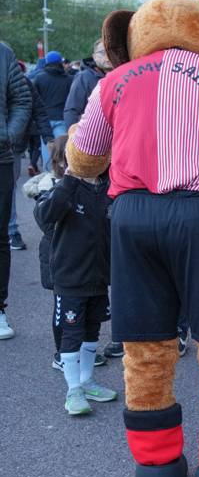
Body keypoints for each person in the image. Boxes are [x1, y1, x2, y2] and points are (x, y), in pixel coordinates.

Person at [34, 137, 117, 415]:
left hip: (98, 277)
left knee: (92, 330)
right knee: (72, 333)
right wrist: (69, 180)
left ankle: (87, 380)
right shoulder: (64, 190)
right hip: (70, 280)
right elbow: (46, 215)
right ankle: (73, 390)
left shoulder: (106, 189)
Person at [0, 41, 33, 340]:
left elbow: (22, 99)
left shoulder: (4, 52)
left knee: (0, 236)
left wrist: (8, 135)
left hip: (0, 156)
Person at [10, 67, 55, 251]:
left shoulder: (23, 82)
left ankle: (11, 231)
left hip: (12, 146)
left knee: (7, 189)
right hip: (14, 143)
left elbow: (39, 110)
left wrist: (48, 138)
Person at [32, 51, 74, 171]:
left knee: (47, 150)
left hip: (44, 120)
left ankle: (48, 176)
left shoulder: (39, 78)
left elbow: (34, 100)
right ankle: (61, 175)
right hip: (62, 118)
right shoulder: (69, 79)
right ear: (60, 62)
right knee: (62, 149)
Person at [63, 40, 112, 128]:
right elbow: (72, 110)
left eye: (110, 51)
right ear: (94, 56)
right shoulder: (84, 77)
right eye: (102, 52)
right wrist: (73, 136)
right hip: (92, 134)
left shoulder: (124, 75)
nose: (107, 56)